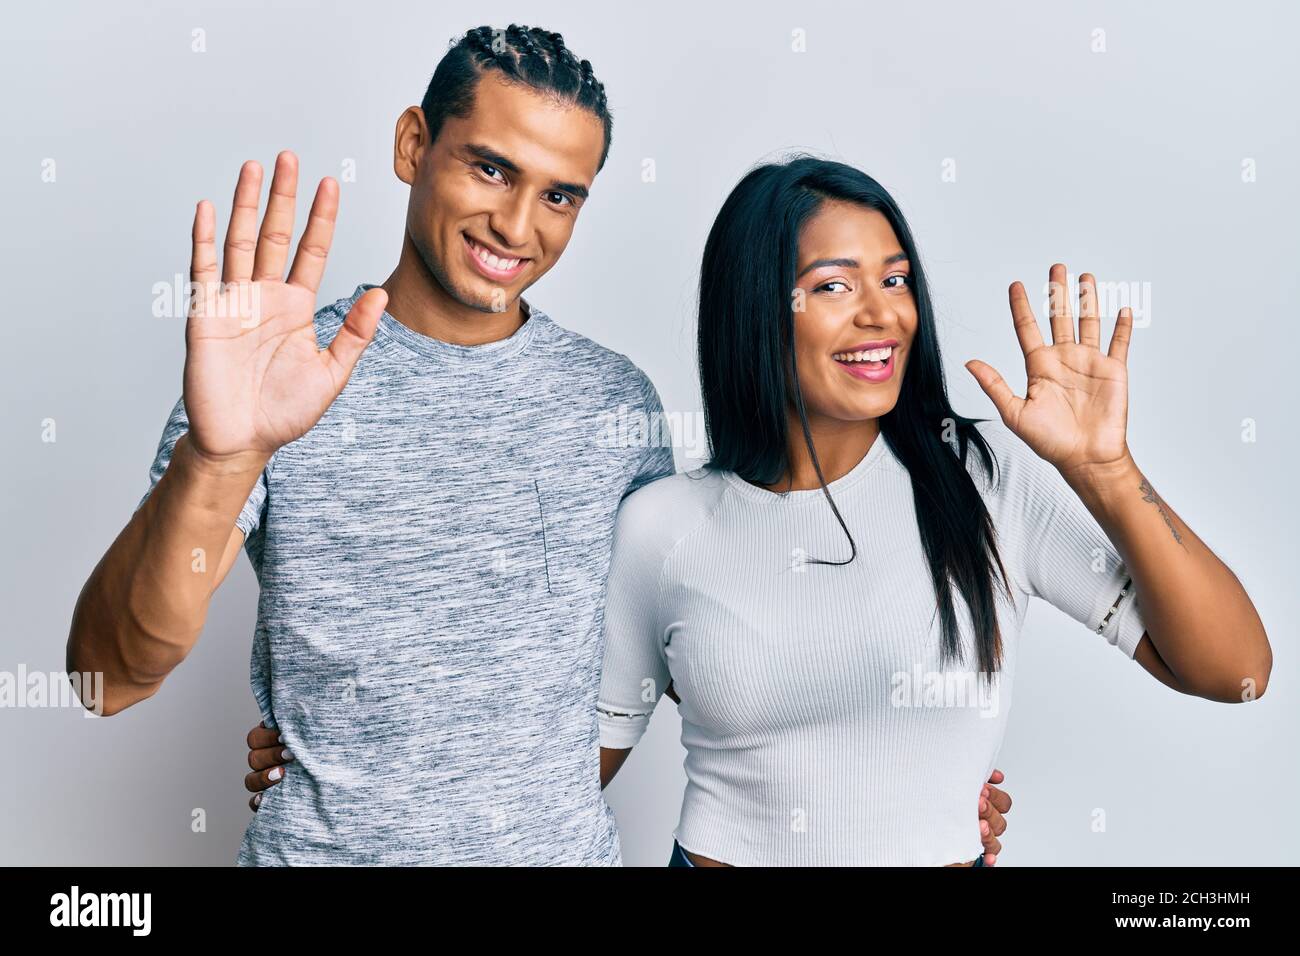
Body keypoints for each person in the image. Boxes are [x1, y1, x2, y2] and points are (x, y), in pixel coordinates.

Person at [67, 27, 1014, 865]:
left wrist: (915, 794)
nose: (518, 226)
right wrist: (220, 459)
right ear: (412, 144)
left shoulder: (615, 407)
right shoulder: (273, 379)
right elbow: (106, 678)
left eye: (560, 195)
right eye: (490, 169)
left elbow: (725, 664)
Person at [590, 158, 1270, 866]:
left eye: (895, 279)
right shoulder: (661, 527)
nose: (883, 313)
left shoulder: (982, 480)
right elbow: (559, 788)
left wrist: (1104, 470)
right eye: (833, 285)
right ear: (756, 310)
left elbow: (1235, 670)